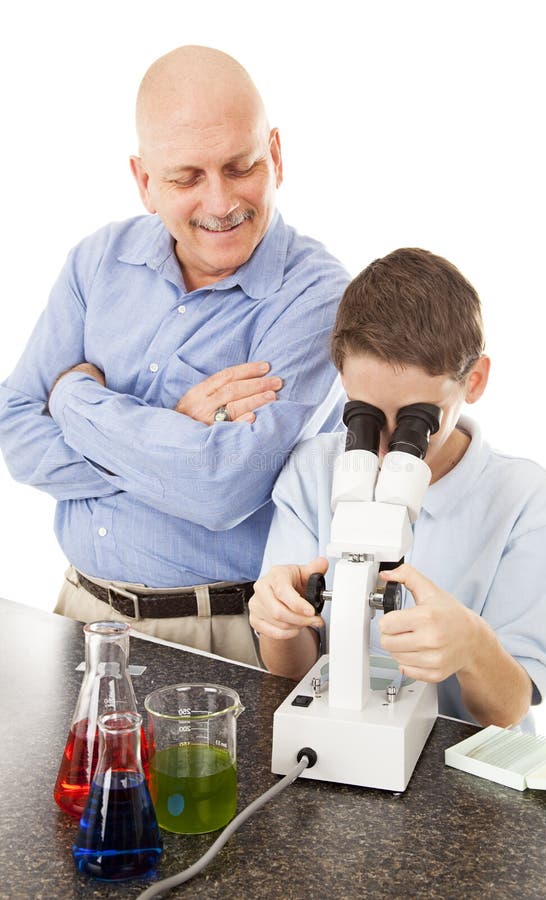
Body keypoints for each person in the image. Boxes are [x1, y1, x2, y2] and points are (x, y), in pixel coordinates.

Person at [0, 46, 349, 666]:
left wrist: (74, 399)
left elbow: (223, 489)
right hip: (77, 616)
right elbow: (15, 430)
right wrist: (177, 438)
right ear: (144, 182)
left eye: (241, 167)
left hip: (224, 634)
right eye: (187, 178)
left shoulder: (318, 299)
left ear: (275, 154)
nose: (220, 203)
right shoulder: (97, 260)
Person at [249, 248, 546, 728]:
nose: (388, 448)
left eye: (419, 422)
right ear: (343, 379)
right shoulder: (313, 470)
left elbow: (507, 710)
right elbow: (294, 668)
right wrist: (279, 620)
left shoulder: (525, 498)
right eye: (365, 416)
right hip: (341, 733)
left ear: (474, 380)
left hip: (459, 763)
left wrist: (472, 646)